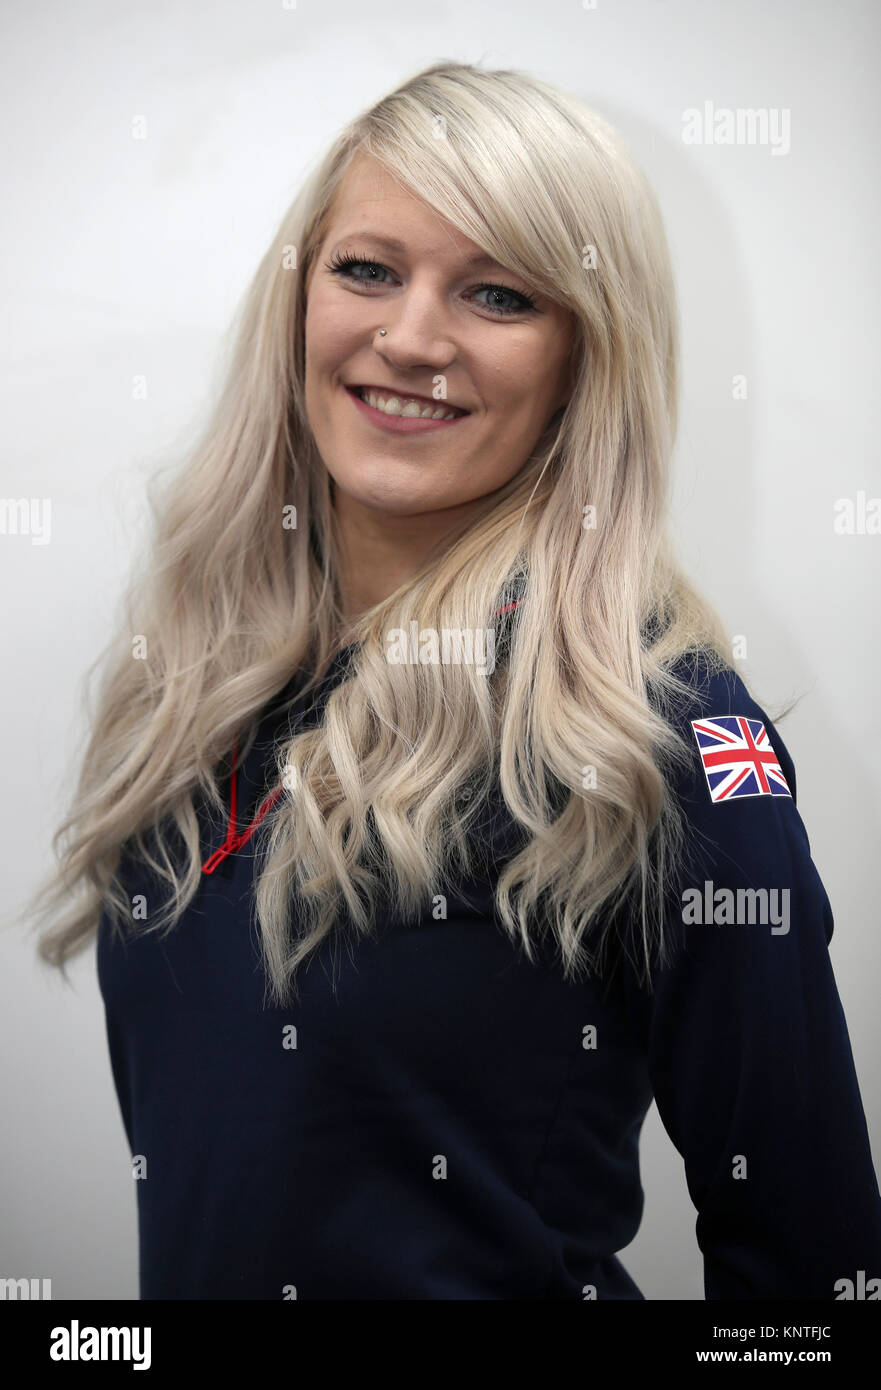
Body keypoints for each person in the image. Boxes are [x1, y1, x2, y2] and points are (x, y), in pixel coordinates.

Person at [29, 60, 881, 1300]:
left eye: (496, 293)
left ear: (584, 359)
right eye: (366, 270)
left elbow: (816, 1279)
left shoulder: (661, 734)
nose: (411, 338)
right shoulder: (209, 676)